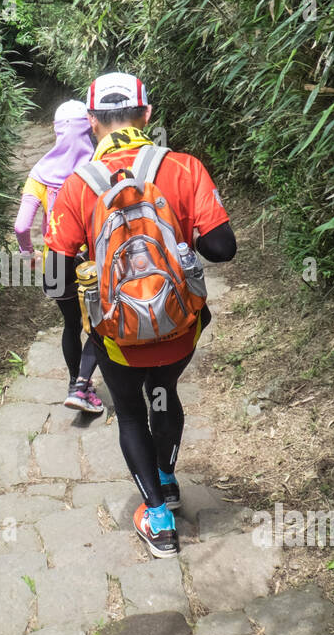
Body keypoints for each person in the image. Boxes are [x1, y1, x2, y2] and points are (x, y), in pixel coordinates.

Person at [44, 73, 237, 557]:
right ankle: (168, 480)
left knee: (130, 412)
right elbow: (222, 249)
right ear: (146, 114)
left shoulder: (76, 185)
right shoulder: (185, 168)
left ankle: (158, 519)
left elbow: (53, 280)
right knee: (163, 393)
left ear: (92, 124)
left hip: (116, 335)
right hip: (179, 328)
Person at [14, 99, 104, 414]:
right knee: (99, 323)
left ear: (55, 131)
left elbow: (21, 225)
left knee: (71, 324)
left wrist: (30, 256)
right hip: (94, 259)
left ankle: (74, 384)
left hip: (55, 260)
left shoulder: (39, 173)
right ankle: (84, 384)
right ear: (90, 127)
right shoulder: (101, 167)